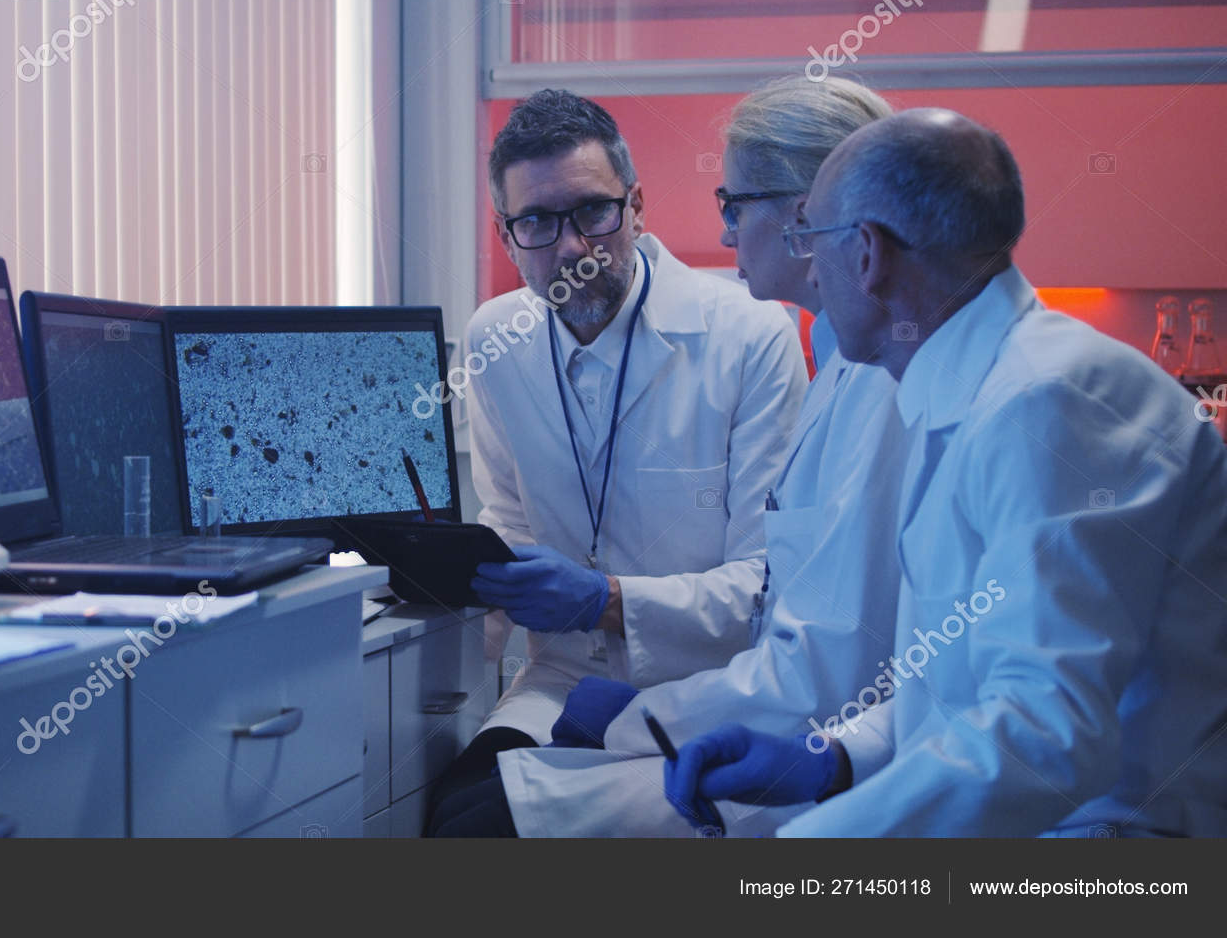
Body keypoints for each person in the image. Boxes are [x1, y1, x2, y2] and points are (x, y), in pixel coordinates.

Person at [665, 108, 1227, 837]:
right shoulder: (964, 390)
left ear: (866, 255)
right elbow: (963, 684)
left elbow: (1045, 734)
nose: (807, 260)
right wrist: (832, 758)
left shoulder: (1048, 401)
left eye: (813, 238)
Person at [438, 77, 914, 837]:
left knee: (477, 829)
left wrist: (610, 607)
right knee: (448, 801)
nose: (573, 248)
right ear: (505, 235)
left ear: (635, 207)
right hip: (572, 683)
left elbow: (779, 606)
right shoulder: (495, 339)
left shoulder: (763, 339)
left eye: (593, 212)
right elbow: (510, 525)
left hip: (725, 691)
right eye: (536, 222)